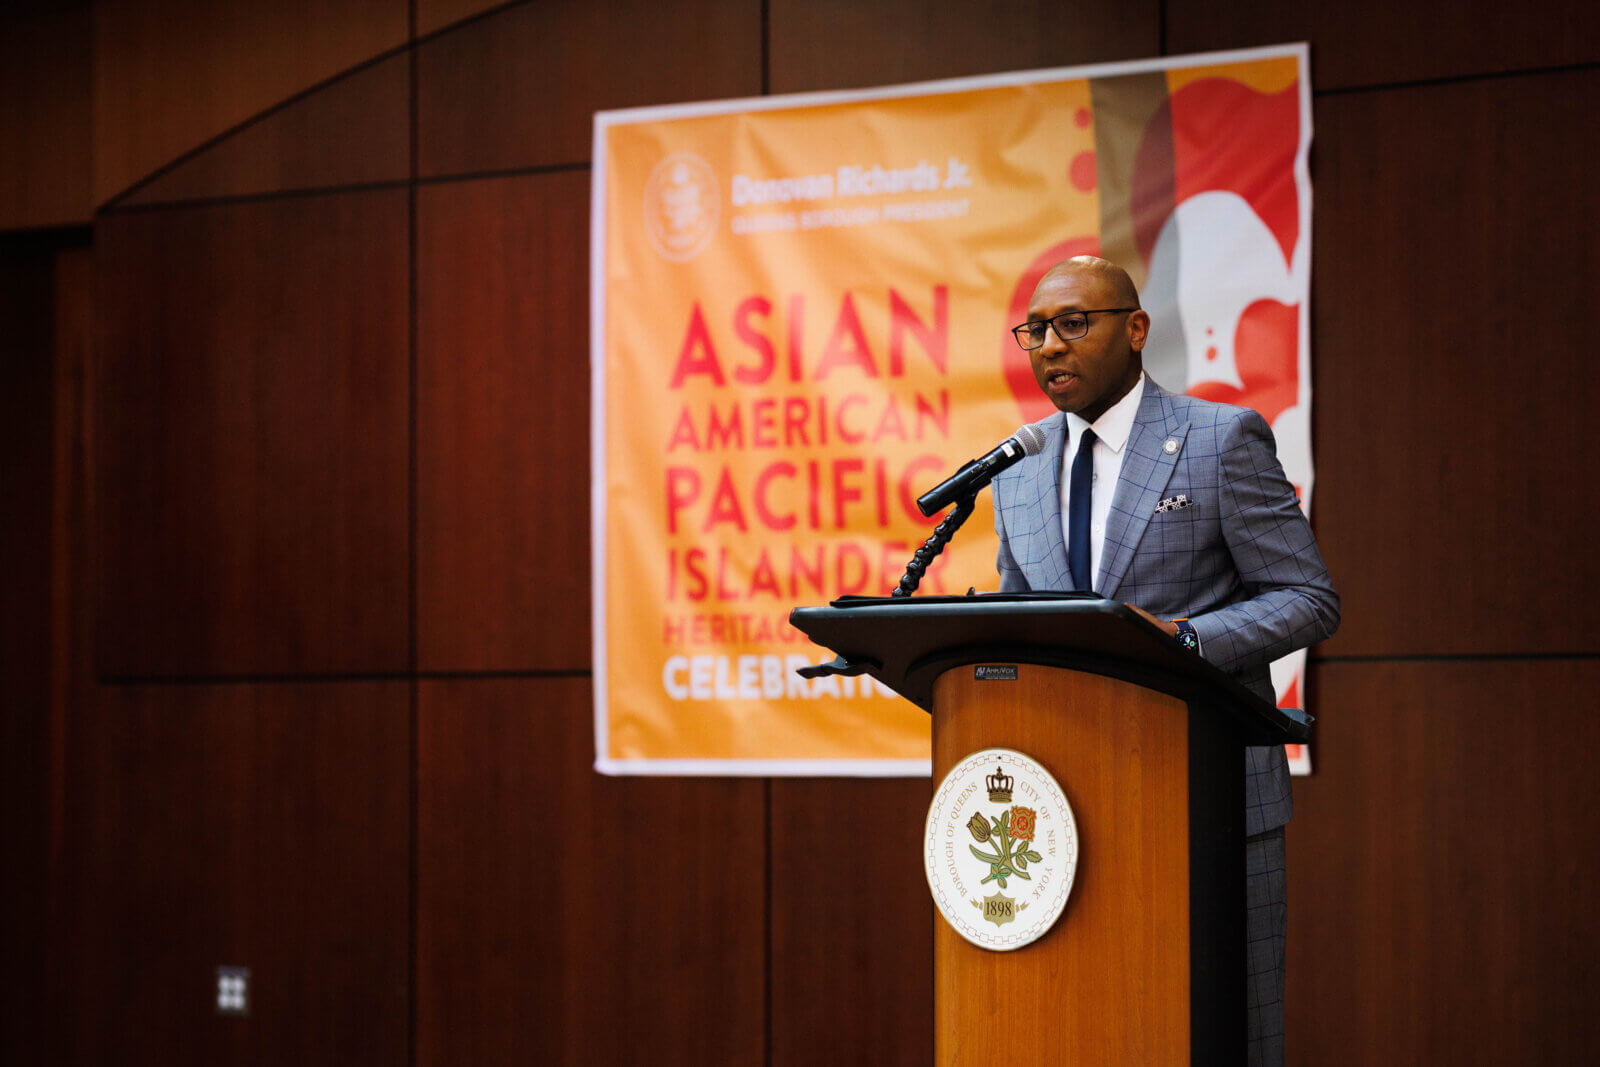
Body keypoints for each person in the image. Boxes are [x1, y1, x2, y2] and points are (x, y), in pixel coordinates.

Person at [990, 256, 1339, 1065]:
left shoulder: (1220, 440)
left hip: (1206, 797)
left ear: (1135, 328)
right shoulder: (1019, 469)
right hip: (1067, 810)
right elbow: (1016, 626)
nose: (1049, 346)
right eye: (1035, 330)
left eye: (1073, 323)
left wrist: (1184, 641)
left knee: (1222, 1037)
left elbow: (1309, 597)